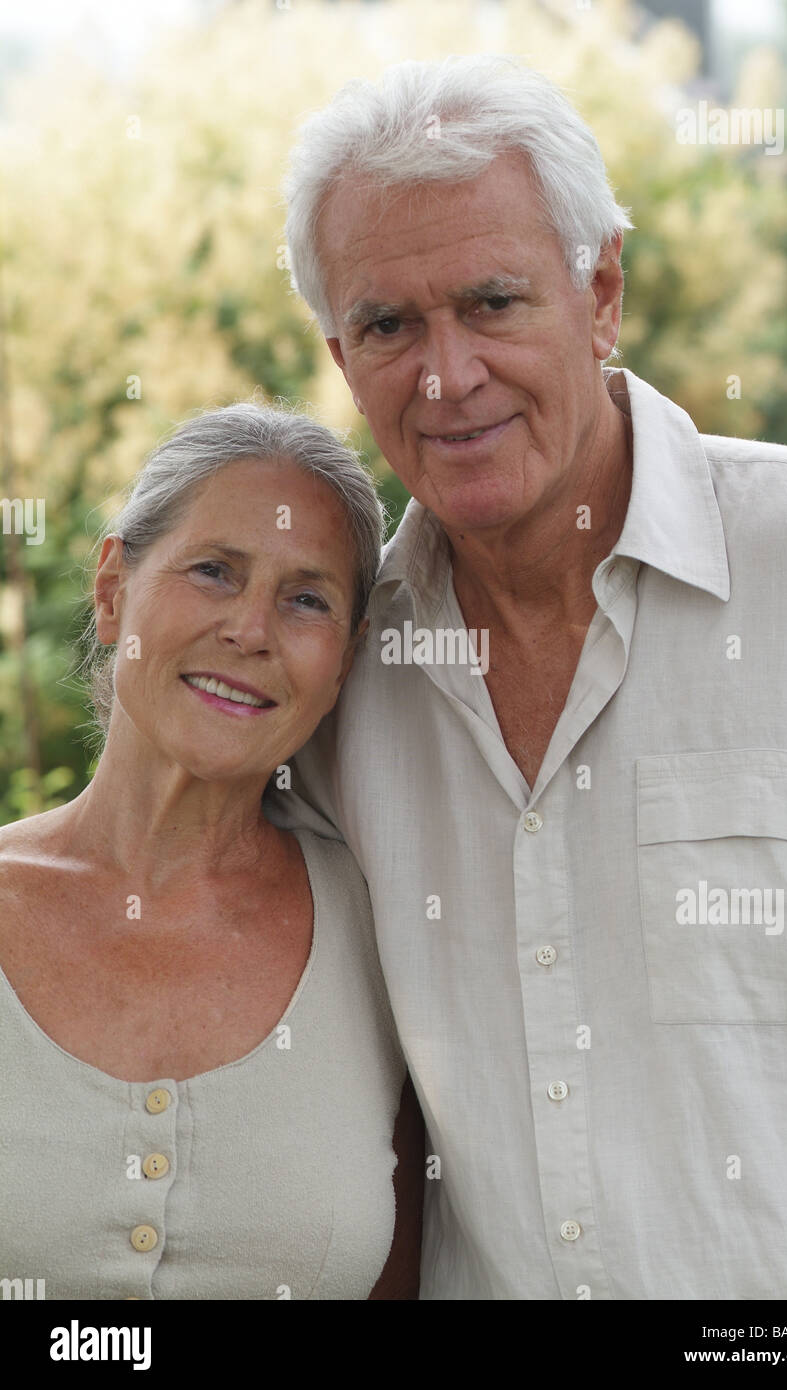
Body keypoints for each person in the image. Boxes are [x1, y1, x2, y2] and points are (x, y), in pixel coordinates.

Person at [266, 55, 787, 1299]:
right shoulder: (333, 684)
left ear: (600, 296)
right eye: (388, 325)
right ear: (339, 353)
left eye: (491, 303)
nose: (445, 376)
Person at [0, 403, 423, 1300]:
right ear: (113, 590)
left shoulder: (386, 930)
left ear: (342, 662)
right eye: (214, 572)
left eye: (307, 598)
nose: (251, 630)